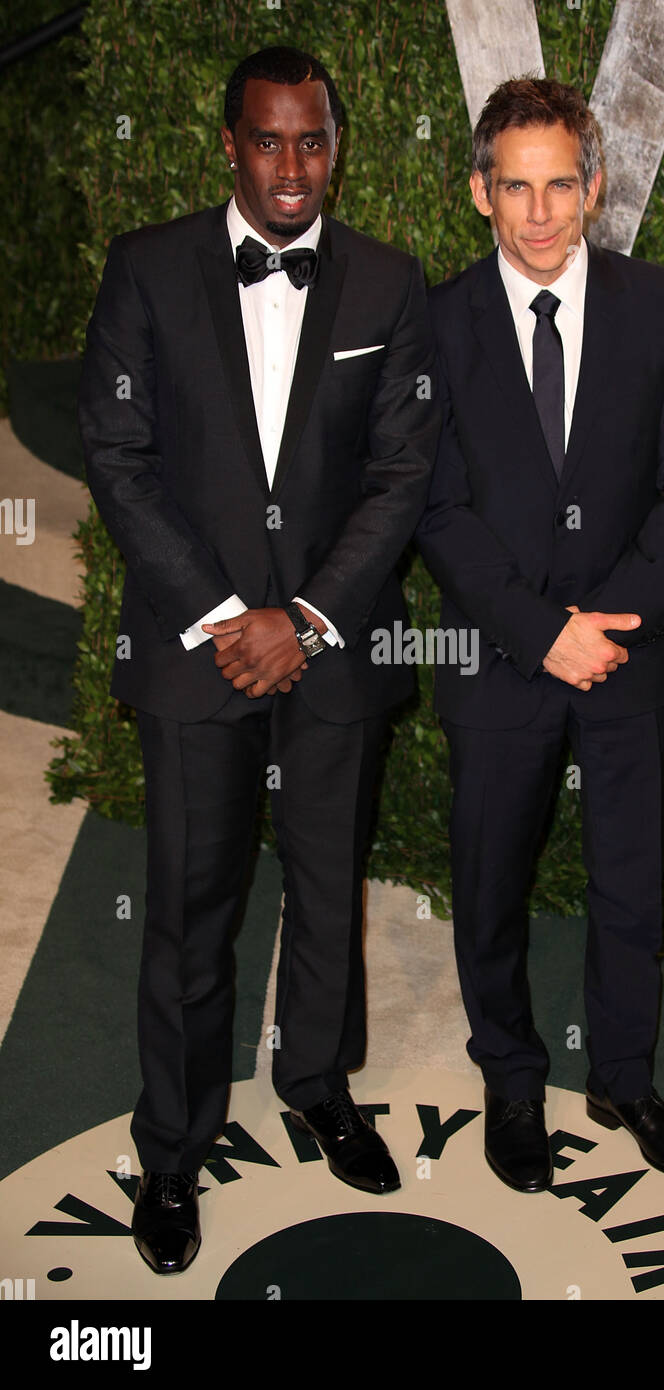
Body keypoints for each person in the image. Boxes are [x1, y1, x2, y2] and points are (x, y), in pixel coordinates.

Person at [78, 45, 439, 1273]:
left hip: (330, 652)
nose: (293, 167)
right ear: (228, 143)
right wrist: (231, 614)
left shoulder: (391, 284)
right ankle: (171, 1152)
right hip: (198, 653)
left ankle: (319, 1084)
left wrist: (310, 619)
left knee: (327, 885)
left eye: (314, 141)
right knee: (189, 907)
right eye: (269, 140)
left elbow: (401, 474)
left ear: (339, 144)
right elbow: (117, 456)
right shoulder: (146, 268)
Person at [416, 78, 664, 1194]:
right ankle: (509, 1076)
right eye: (515, 187)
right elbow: (434, 503)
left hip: (630, 656)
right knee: (489, 881)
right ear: (478, 193)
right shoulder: (437, 321)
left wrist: (607, 624)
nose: (540, 212)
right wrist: (541, 631)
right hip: (500, 658)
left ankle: (624, 1079)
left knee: (631, 884)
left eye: (560, 184)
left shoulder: (660, 304)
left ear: (593, 187)